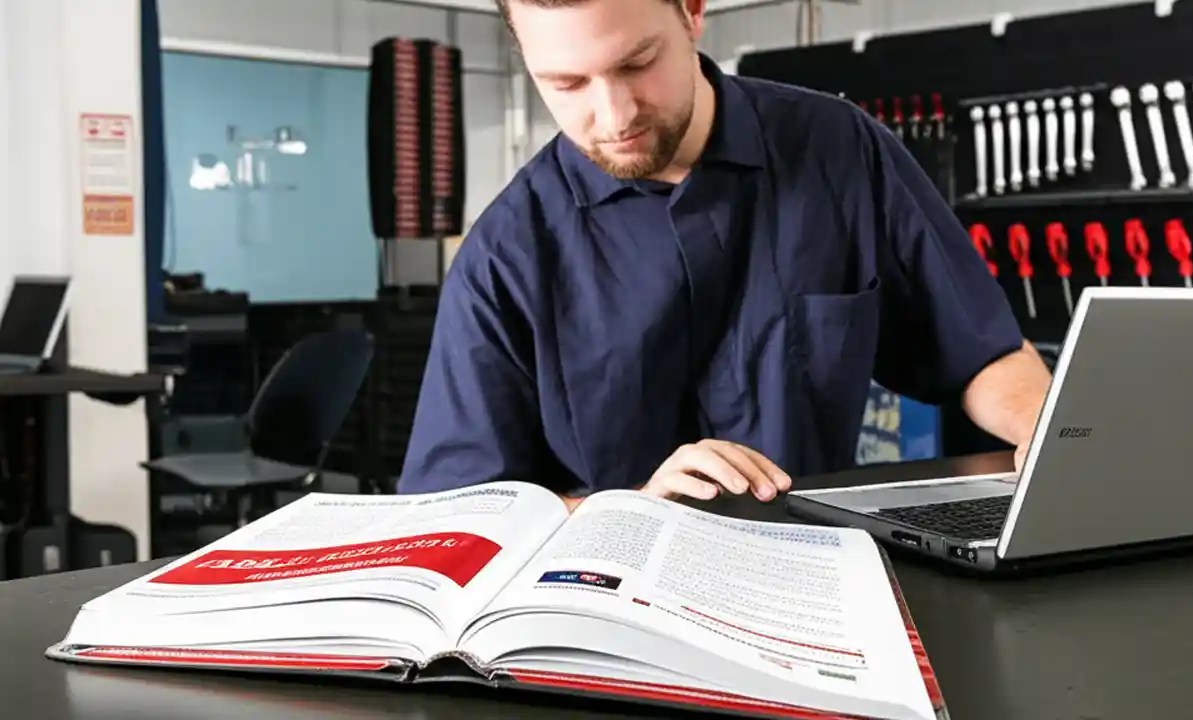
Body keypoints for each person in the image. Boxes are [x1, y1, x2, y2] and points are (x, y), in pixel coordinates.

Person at [399, 0, 1052, 511]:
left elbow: (979, 350)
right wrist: (629, 512)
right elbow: (459, 512)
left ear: (691, 10)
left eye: (636, 63)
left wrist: (1051, 434)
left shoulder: (839, 150)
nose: (614, 112)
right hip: (602, 608)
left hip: (816, 570)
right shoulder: (505, 253)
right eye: (566, 84)